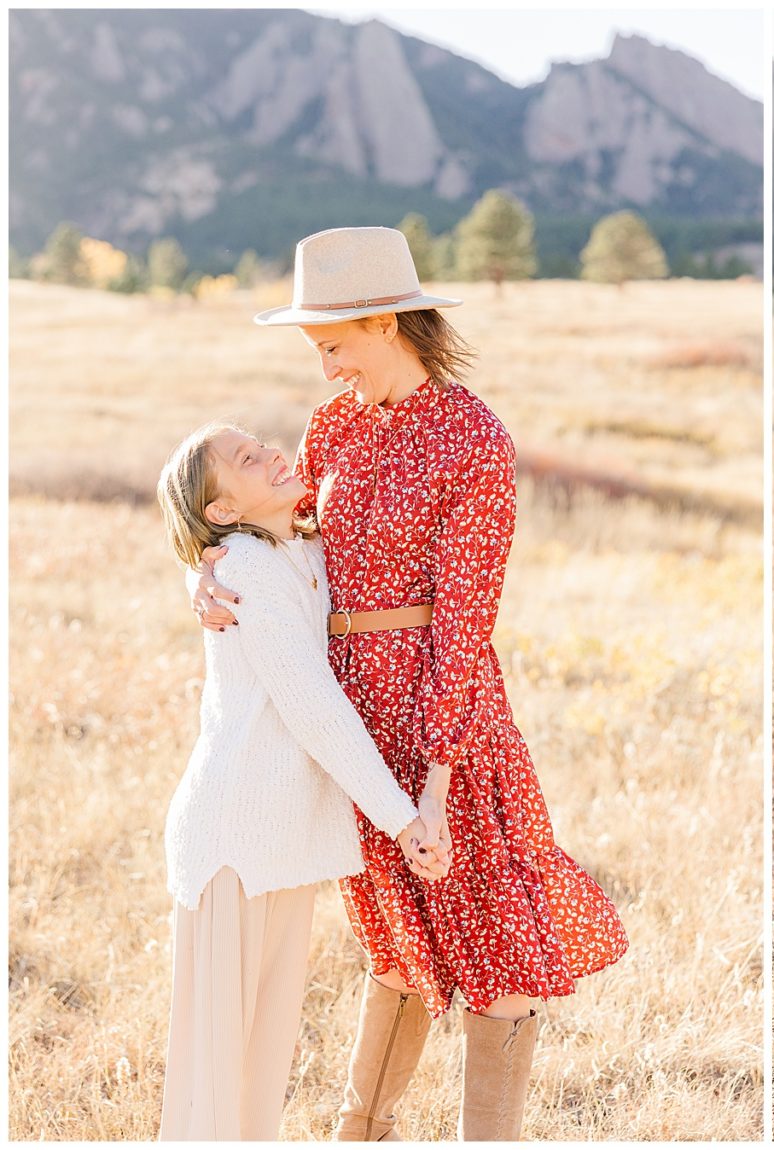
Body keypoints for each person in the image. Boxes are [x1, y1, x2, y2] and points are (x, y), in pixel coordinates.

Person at [194, 227, 627, 1140]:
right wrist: (207, 567)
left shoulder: (473, 439)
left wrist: (435, 779)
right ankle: (359, 1132)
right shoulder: (335, 427)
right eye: (317, 352)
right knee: (393, 948)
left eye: (333, 347)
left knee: (497, 953)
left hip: (443, 714)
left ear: (385, 321)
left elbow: (466, 621)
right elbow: (280, 539)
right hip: (350, 722)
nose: (326, 370)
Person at [155, 424, 449, 1140]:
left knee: (261, 1065)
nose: (271, 454)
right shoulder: (248, 570)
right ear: (223, 510)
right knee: (216, 1072)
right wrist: (402, 818)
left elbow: (228, 558)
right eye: (247, 459)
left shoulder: (294, 550)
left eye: (260, 443)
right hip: (232, 839)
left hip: (279, 844)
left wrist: (198, 571)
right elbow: (314, 706)